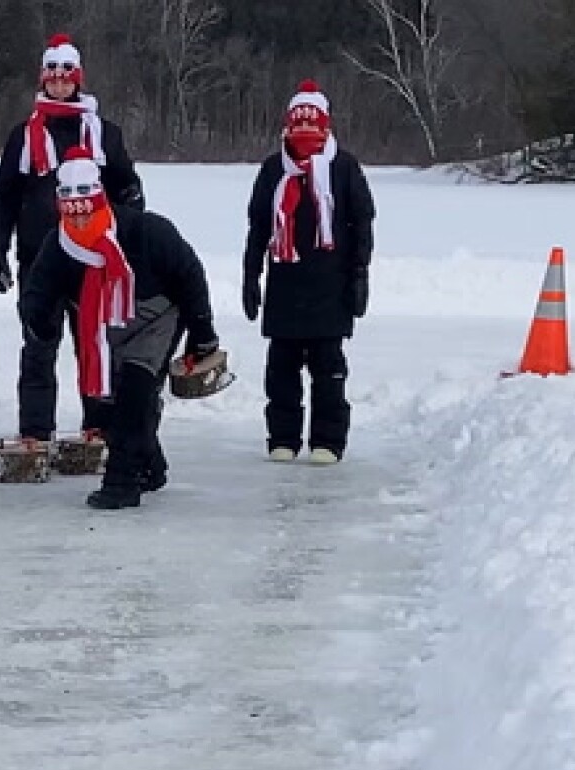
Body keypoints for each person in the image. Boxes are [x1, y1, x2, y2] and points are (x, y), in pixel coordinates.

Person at [19, 147, 219, 510]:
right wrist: (38, 325)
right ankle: (150, 466)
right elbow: (39, 292)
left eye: (87, 213)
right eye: (71, 215)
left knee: (136, 394)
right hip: (98, 323)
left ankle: (122, 483)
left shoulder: (146, 230)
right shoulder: (57, 245)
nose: (79, 224)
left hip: (156, 314)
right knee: (104, 407)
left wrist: (201, 333)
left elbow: (190, 273)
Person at [0, 33, 142, 442]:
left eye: (65, 76)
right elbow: (4, 196)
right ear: (43, 80)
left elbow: (128, 188)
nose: (58, 83)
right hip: (40, 258)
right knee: (38, 345)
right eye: (51, 76)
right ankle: (36, 431)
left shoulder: (104, 133)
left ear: (78, 79)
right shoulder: (24, 135)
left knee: (95, 344)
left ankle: (100, 425)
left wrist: (128, 238)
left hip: (93, 259)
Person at [242, 79, 376, 465]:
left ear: (325, 127)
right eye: (298, 126)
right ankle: (282, 437)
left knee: (328, 369)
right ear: (287, 127)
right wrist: (251, 275)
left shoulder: (344, 167)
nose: (305, 134)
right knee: (280, 370)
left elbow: (363, 222)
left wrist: (360, 274)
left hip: (330, 285)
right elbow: (258, 226)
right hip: (285, 283)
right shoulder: (273, 170)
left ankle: (328, 441)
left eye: (312, 126)